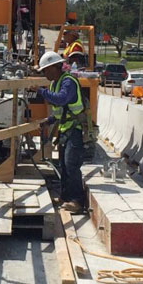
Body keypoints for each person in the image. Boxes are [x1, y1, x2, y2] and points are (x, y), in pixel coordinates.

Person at [36, 50, 87, 212]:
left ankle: (77, 201)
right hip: (65, 129)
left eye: (45, 70)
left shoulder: (68, 82)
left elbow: (62, 99)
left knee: (71, 164)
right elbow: (60, 111)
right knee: (64, 165)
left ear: (54, 67)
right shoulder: (55, 84)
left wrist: (41, 91)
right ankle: (66, 197)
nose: (44, 74)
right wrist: (49, 121)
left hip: (76, 129)